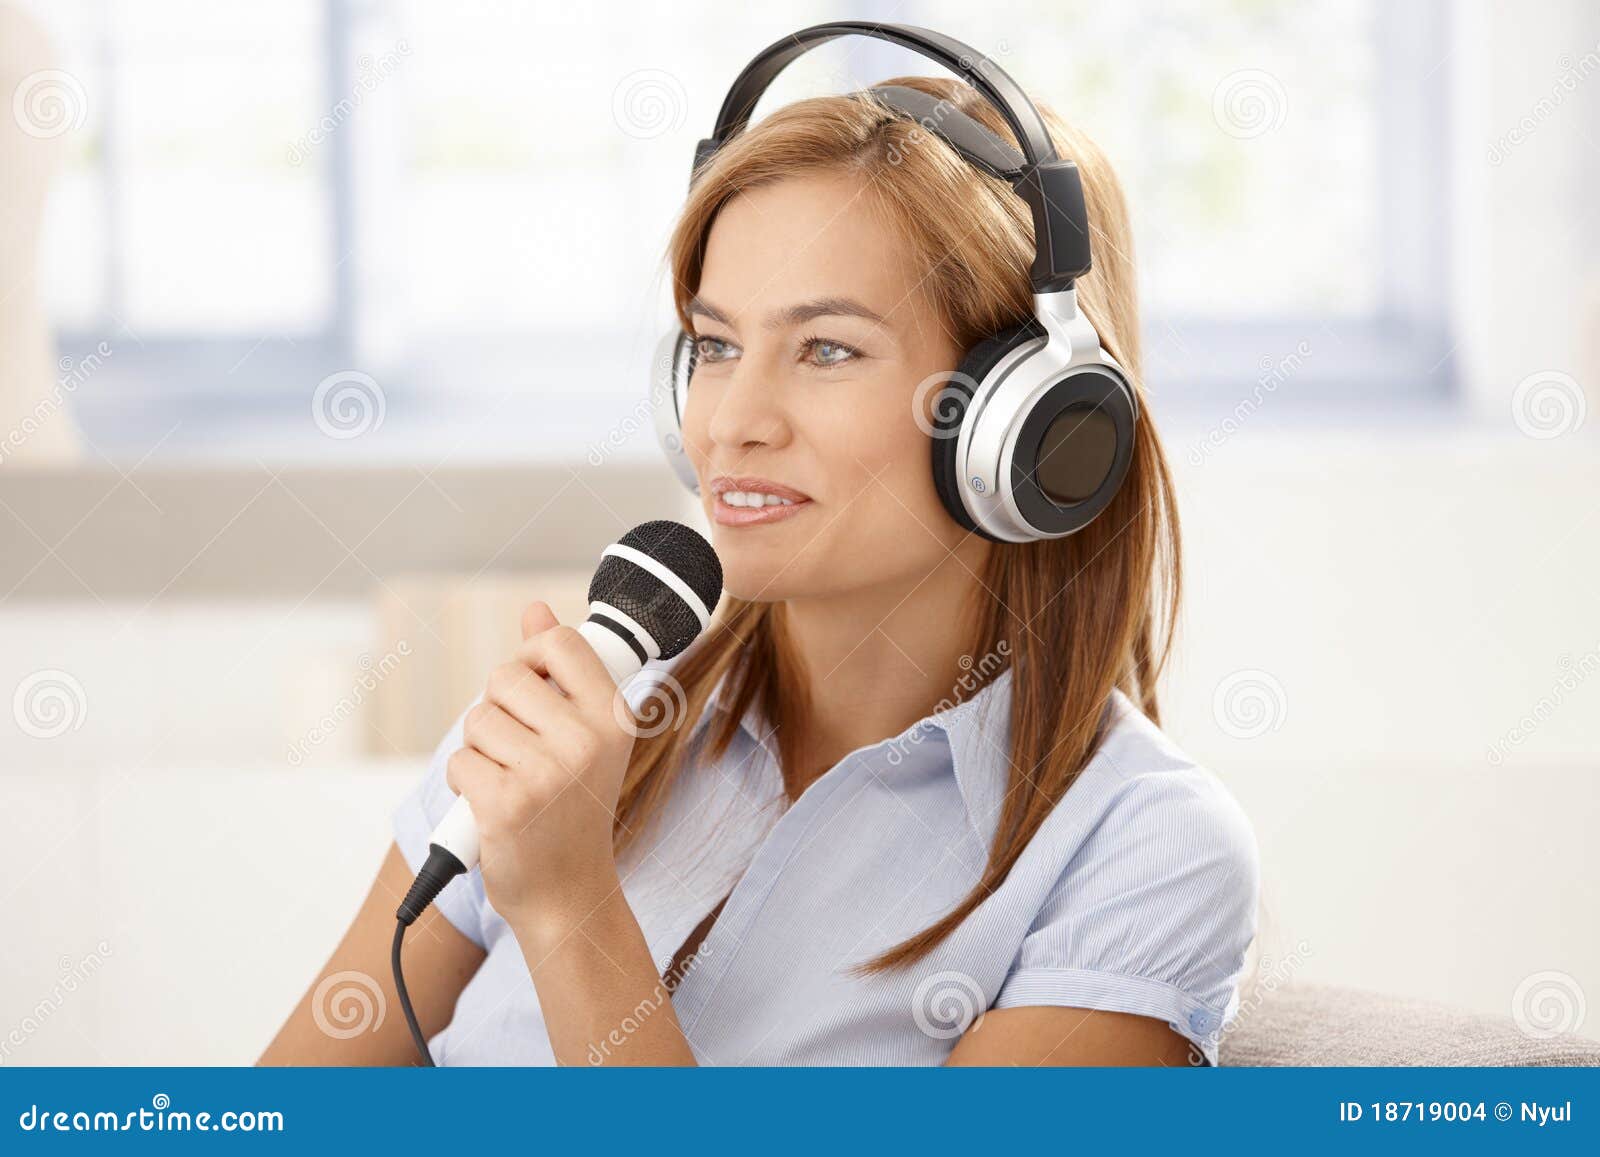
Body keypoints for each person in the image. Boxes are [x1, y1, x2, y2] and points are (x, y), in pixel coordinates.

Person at [261, 66, 1258, 1068]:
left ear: (1029, 423)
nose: (732, 423)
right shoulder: (568, 735)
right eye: (716, 343)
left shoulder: (1141, 850)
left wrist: (571, 909)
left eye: (826, 349)